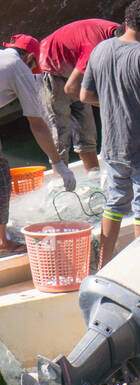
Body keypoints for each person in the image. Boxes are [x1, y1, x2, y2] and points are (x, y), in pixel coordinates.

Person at [80, 0, 140, 267]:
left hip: (112, 147)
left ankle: (103, 265)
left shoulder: (100, 50)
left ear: (128, 20)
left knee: (114, 204)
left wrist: (112, 100)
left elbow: (85, 94)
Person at [0, 35, 76, 254]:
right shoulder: (18, 67)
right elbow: (37, 124)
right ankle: (3, 243)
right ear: (30, 57)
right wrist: (57, 162)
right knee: (2, 175)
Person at [38, 18, 121, 172]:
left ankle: (93, 177)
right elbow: (71, 89)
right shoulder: (94, 48)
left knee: (86, 130)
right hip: (51, 69)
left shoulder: (132, 36)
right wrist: (110, 104)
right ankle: (63, 185)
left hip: (75, 66)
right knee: (60, 134)